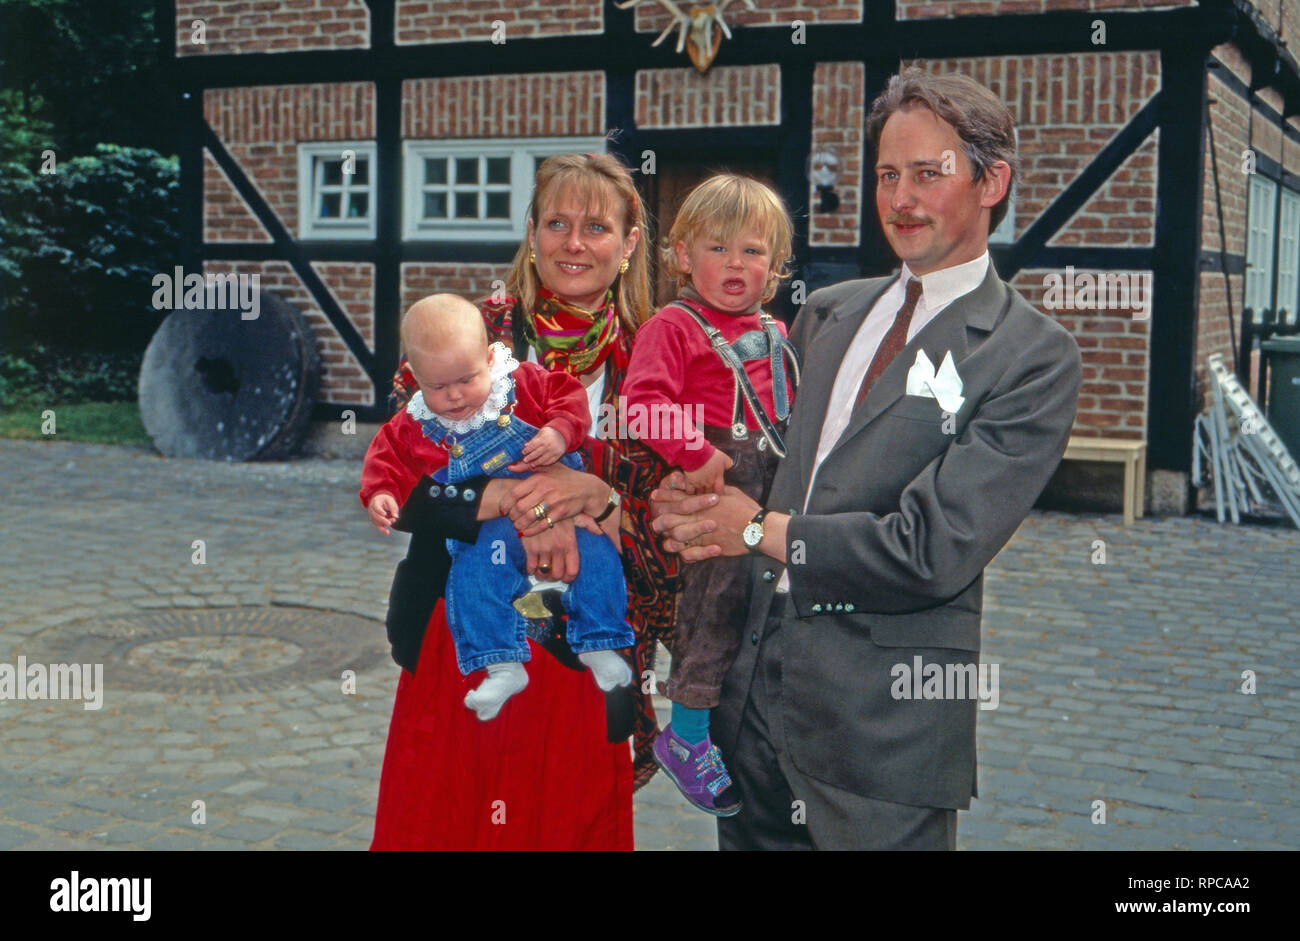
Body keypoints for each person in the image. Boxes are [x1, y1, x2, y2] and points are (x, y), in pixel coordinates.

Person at [651, 68, 1083, 850]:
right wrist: (683, 501)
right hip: (748, 711)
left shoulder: (1032, 356)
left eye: (928, 174)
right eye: (888, 174)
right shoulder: (826, 312)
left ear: (993, 182)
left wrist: (756, 531)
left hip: (882, 731)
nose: (901, 198)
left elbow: (933, 547)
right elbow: (761, 466)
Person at [370, 152, 675, 850]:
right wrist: (515, 497)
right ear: (531, 233)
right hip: (467, 641)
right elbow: (408, 485)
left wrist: (598, 498)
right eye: (557, 222)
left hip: (590, 647)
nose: (574, 243)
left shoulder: (658, 360)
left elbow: (675, 531)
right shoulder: (467, 335)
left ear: (629, 245)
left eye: (596, 226)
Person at [361, 294, 633, 721]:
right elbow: (387, 459)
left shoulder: (522, 381)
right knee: (473, 578)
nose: (453, 397)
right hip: (490, 530)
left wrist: (561, 433)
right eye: (437, 386)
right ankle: (500, 663)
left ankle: (600, 641)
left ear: (489, 357)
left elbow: (569, 398)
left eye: (466, 380)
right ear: (415, 377)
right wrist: (381, 493)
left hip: (570, 511)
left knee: (597, 556)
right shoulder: (416, 422)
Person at [620, 174, 797, 816]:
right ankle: (687, 735)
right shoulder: (674, 325)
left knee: (767, 611)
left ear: (775, 266)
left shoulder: (778, 329)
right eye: (718, 248)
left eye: (753, 251)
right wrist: (695, 453)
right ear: (682, 255)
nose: (735, 263)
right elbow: (642, 403)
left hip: (775, 485)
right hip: (718, 479)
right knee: (715, 607)